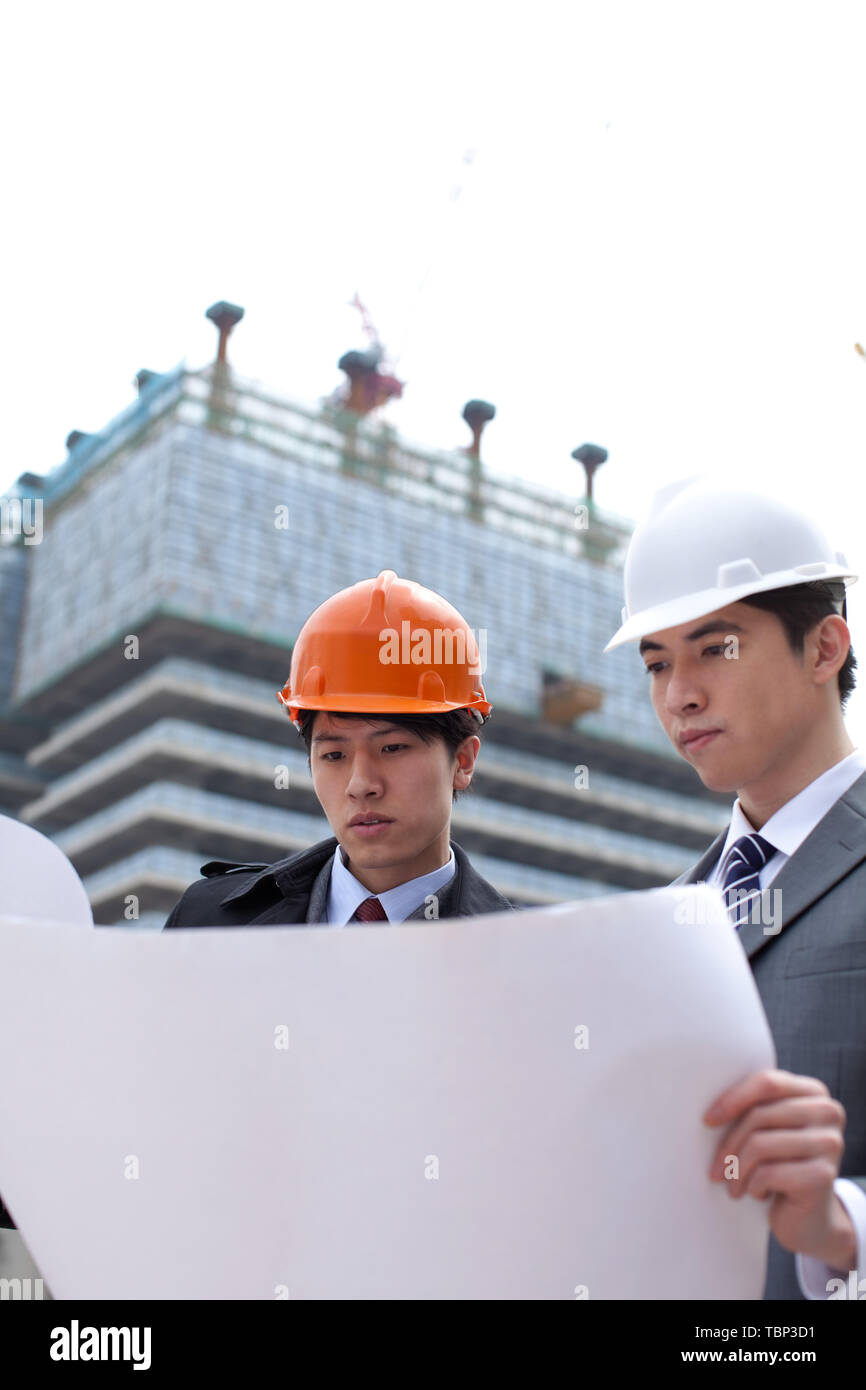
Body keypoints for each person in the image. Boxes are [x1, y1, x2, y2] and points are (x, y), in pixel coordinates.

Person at [605, 478, 866, 1300]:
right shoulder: (666, 922)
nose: (678, 694)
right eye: (656, 663)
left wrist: (841, 1227)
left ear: (824, 650)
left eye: (714, 648)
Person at [164, 569, 513, 929]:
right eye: (334, 755)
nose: (360, 784)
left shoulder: (529, 961)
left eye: (392, 748)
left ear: (462, 760)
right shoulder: (207, 923)